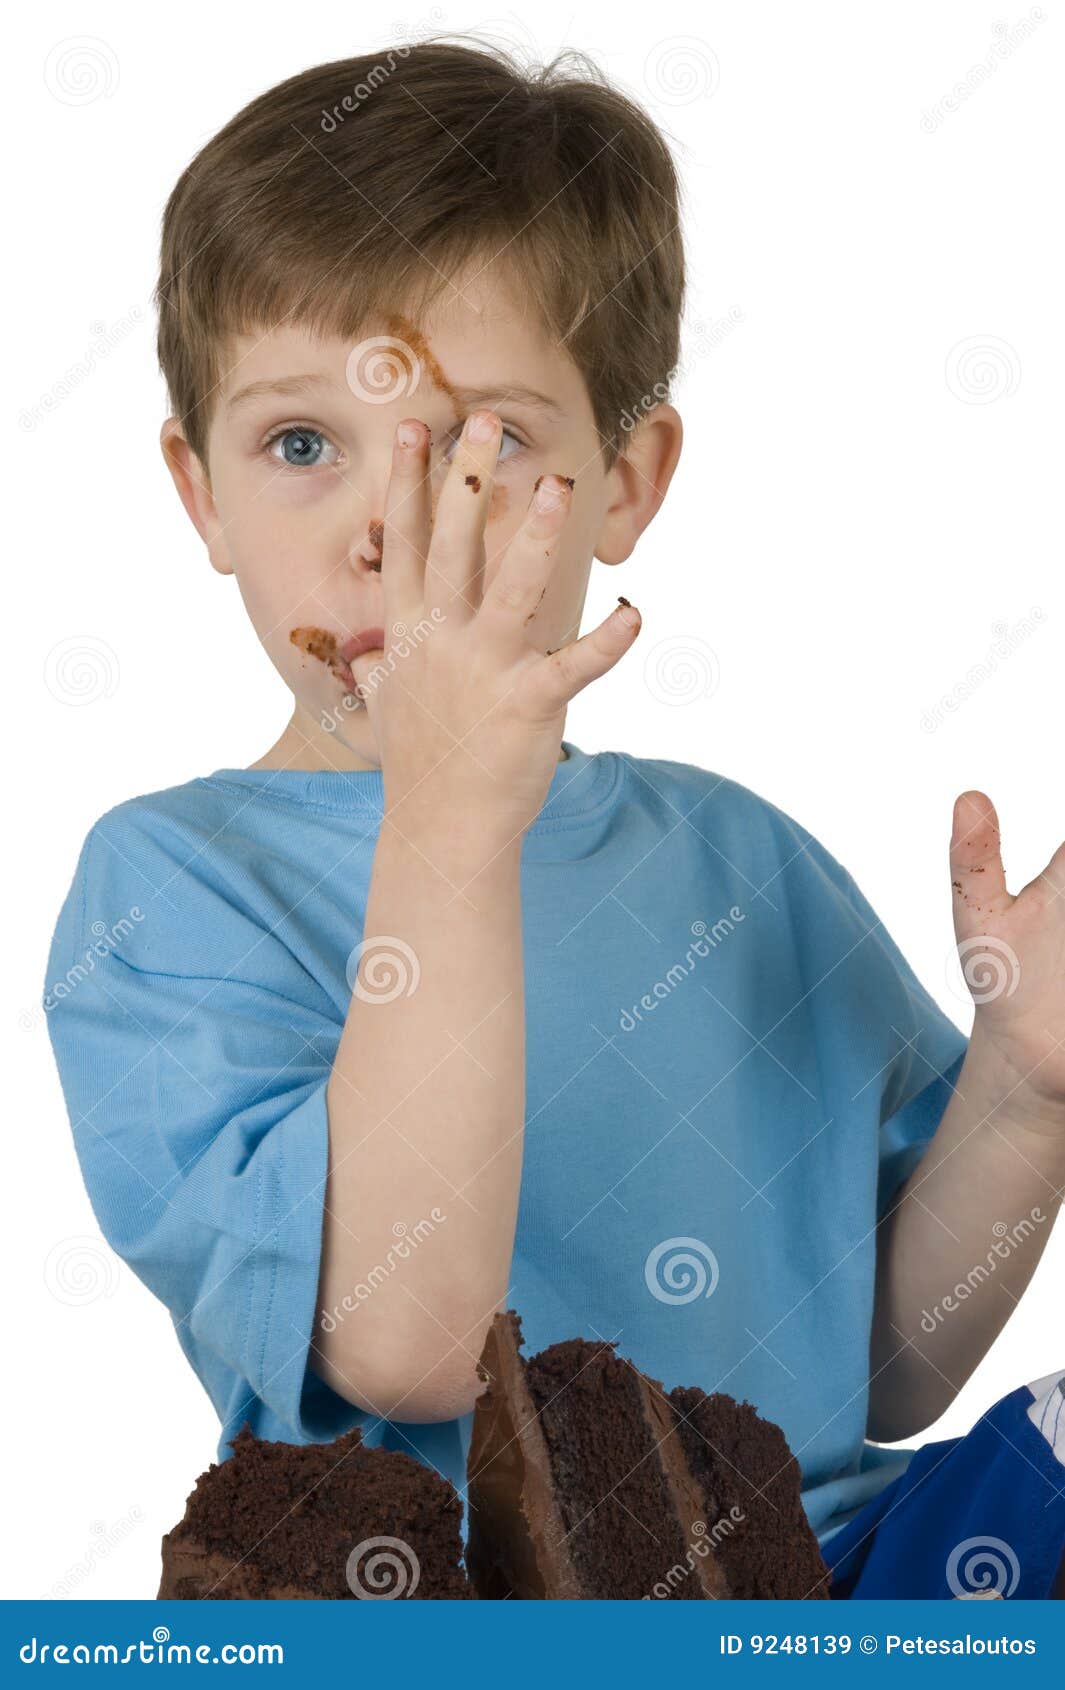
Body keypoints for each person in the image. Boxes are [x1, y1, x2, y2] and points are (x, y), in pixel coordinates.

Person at [44, 39, 1065, 1598]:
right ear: (202, 496)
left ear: (624, 482)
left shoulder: (740, 860)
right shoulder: (172, 888)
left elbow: (882, 1373)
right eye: (300, 444)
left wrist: (1023, 1093)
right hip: (465, 1602)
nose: (394, 525)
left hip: (836, 1576)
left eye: (484, 442)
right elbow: (406, 1342)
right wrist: (447, 826)